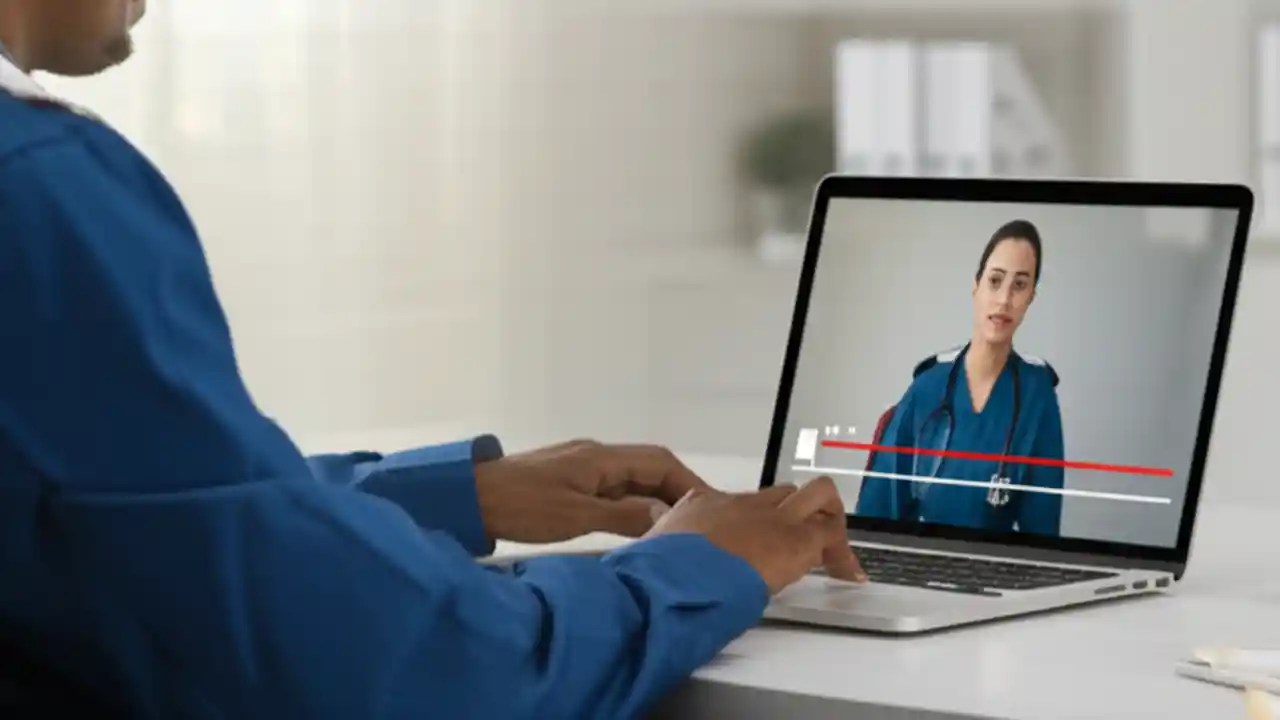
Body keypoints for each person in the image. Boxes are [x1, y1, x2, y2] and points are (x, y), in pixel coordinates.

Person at [0, 2, 865, 717]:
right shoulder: (40, 184)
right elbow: (412, 672)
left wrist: (451, 495)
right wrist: (698, 568)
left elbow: (83, 515)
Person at [855, 219, 1066, 535]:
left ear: (1031, 297)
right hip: (920, 564)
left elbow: (1043, 539)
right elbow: (876, 518)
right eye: (995, 281)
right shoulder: (927, 388)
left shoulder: (1038, 395)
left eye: (1020, 285)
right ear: (976, 286)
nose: (1004, 299)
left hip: (997, 570)